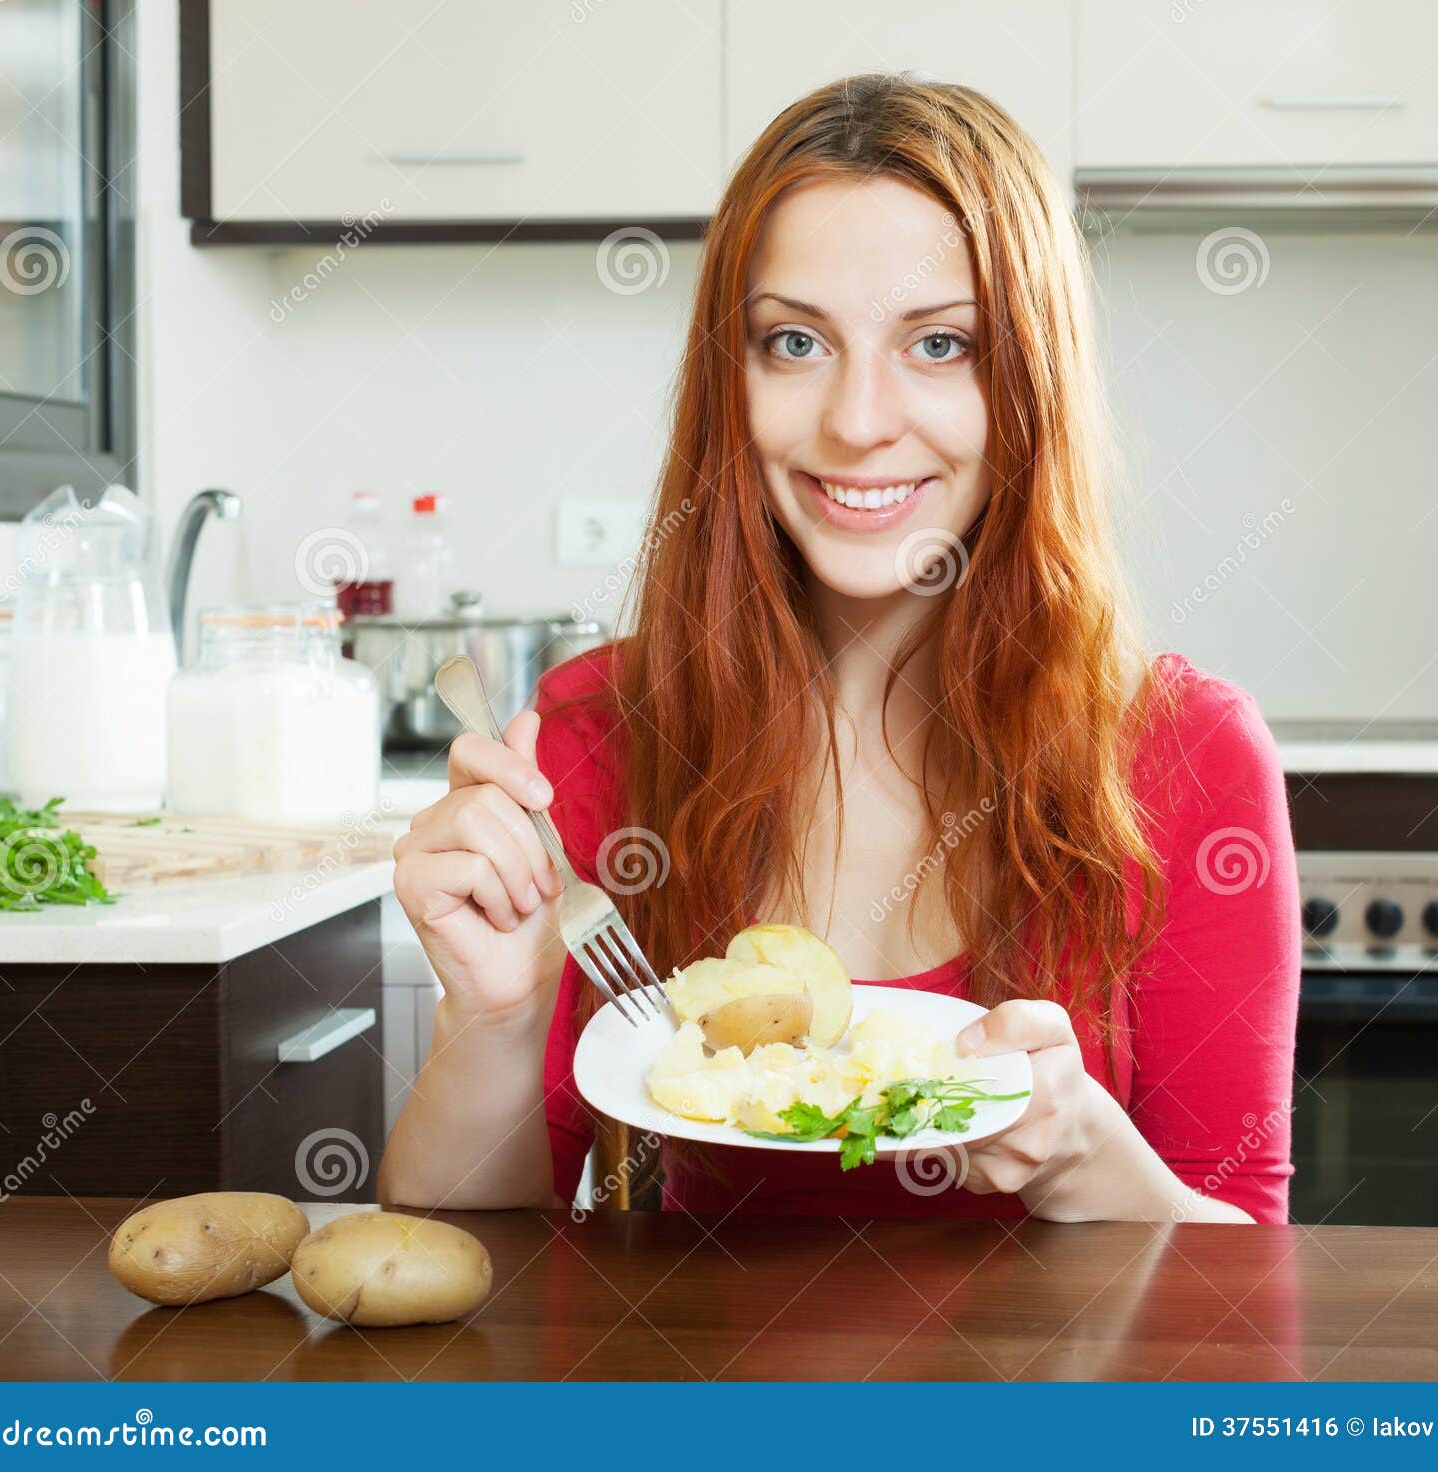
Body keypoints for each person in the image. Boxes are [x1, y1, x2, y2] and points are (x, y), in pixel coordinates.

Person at [381, 74, 1299, 1225]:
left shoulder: (1186, 752)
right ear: (733, 376)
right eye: (796, 340)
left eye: (940, 343)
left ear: (1030, 384)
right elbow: (463, 1257)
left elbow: (1245, 1284)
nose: (858, 420)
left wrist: (1084, 1159)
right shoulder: (596, 731)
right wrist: (494, 1020)